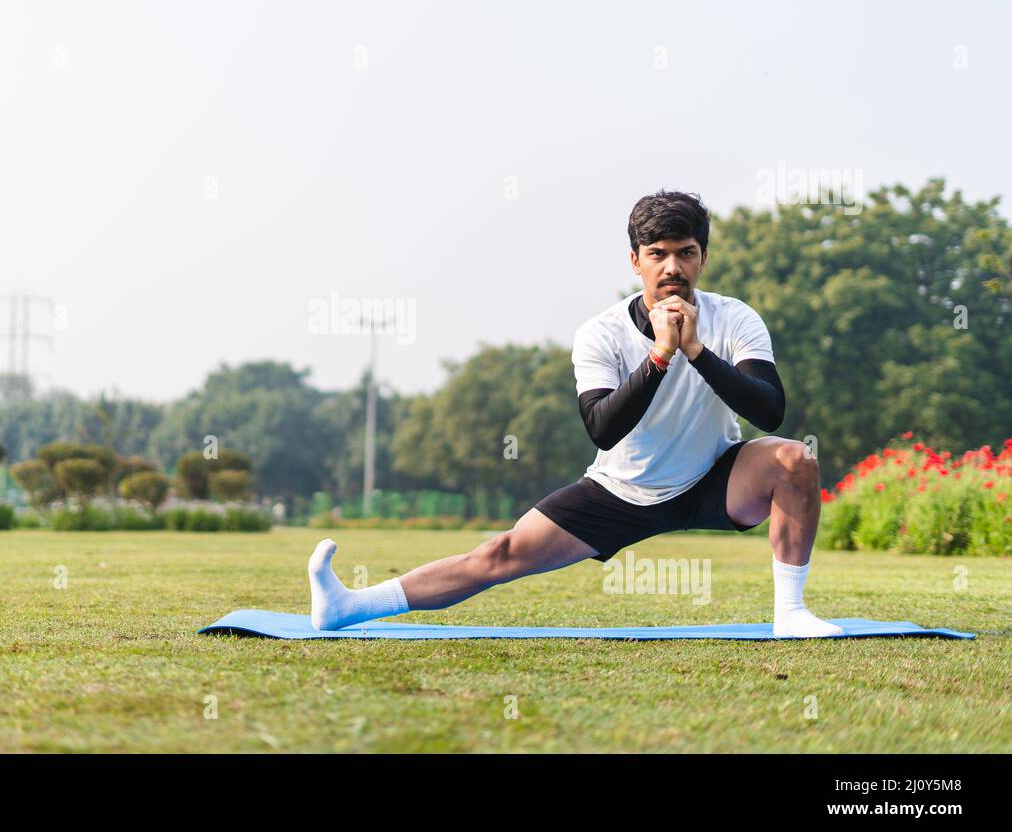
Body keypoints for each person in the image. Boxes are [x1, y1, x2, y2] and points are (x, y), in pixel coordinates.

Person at [308, 190, 843, 638]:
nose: (672, 267)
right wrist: (660, 354)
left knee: (793, 460)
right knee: (499, 554)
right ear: (636, 261)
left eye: (685, 252)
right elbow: (603, 428)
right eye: (657, 253)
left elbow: (769, 411)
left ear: (703, 257)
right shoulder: (601, 333)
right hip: (622, 490)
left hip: (715, 478)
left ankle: (790, 613)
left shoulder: (736, 319)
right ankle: (348, 607)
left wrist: (697, 350)